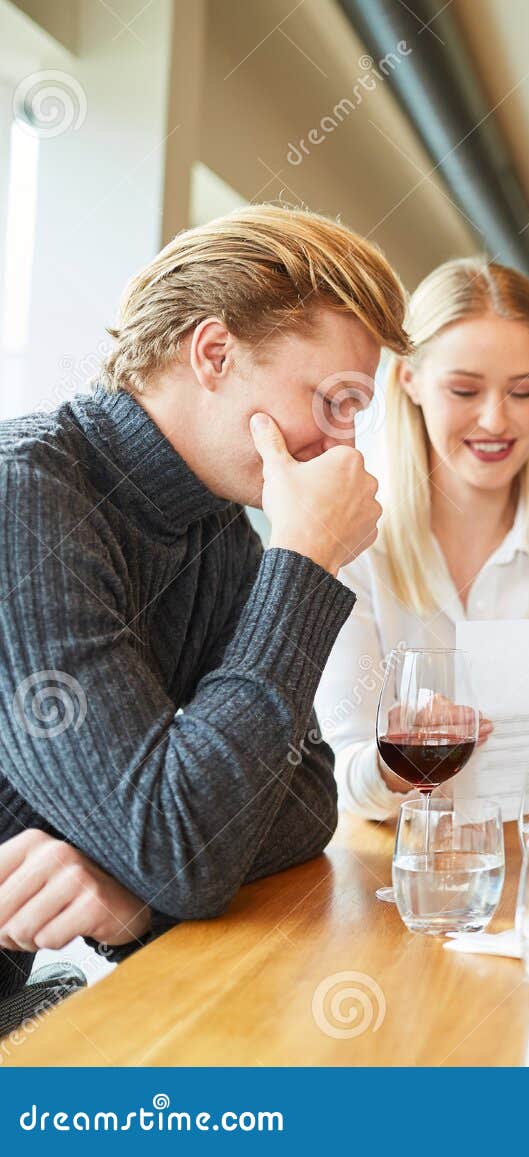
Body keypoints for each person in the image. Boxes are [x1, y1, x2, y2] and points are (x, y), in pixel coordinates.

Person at [0, 206, 412, 1003]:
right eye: (332, 400)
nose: (345, 445)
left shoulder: (215, 524)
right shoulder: (23, 499)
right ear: (214, 352)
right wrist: (304, 560)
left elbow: (303, 802)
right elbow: (180, 843)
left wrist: (136, 883)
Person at [317, 259, 529, 820]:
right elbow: (343, 779)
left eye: (523, 392)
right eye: (464, 389)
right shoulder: (356, 538)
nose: (494, 420)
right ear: (409, 379)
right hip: (391, 874)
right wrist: (394, 763)